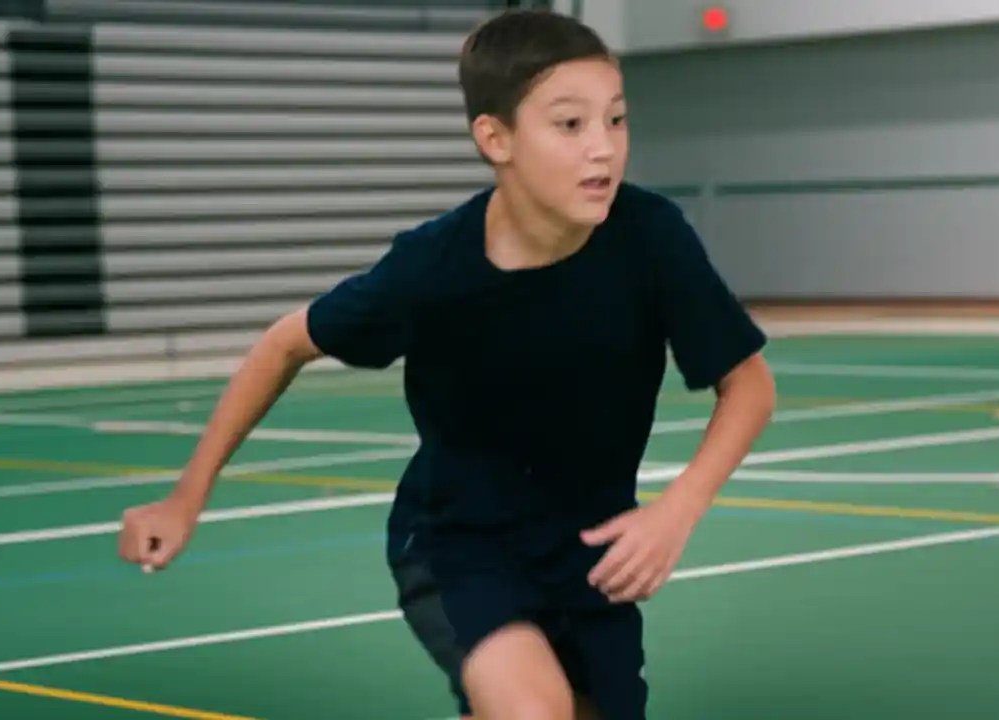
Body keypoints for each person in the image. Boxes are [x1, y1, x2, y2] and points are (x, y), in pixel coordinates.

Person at [118, 8, 776, 719]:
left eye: (616, 120)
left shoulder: (651, 237)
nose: (603, 148)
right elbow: (283, 344)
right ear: (495, 138)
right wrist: (186, 497)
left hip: (590, 554)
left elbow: (748, 384)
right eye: (569, 124)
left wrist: (678, 508)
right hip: (459, 543)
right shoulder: (431, 269)